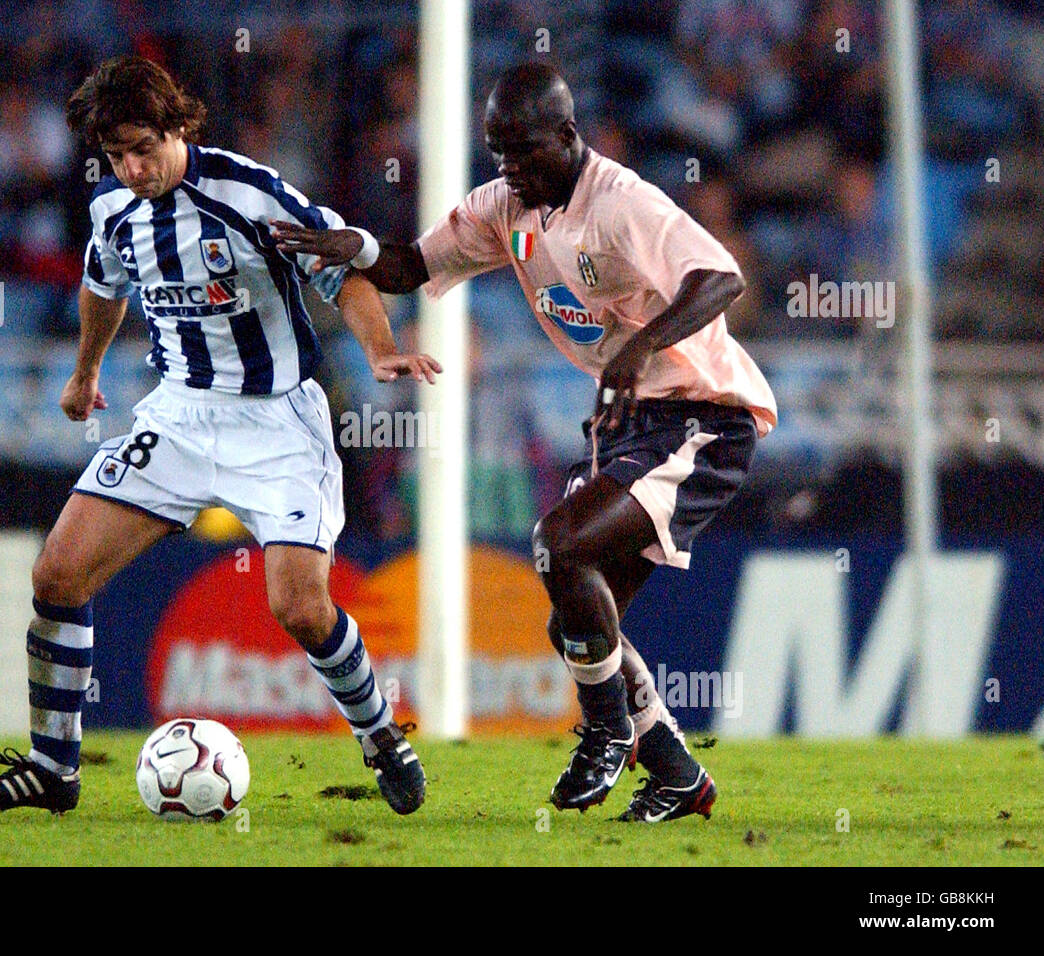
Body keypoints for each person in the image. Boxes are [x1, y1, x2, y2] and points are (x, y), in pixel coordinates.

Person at [272, 62, 777, 822]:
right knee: (578, 614)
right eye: (498, 153)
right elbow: (413, 265)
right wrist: (358, 248)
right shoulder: (504, 205)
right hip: (630, 424)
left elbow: (719, 277)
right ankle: (677, 775)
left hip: (703, 416)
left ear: (570, 137)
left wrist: (642, 350)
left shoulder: (623, 203)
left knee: (561, 547)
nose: (510, 169)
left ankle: (606, 732)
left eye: (525, 151)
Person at [0, 55, 439, 817]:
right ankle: (53, 769)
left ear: (178, 126)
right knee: (57, 575)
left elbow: (342, 266)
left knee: (301, 609)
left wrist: (377, 349)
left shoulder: (246, 192)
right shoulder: (114, 212)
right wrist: (84, 375)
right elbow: (101, 285)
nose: (133, 168)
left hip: (277, 420)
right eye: (116, 156)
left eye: (144, 147)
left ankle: (379, 733)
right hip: (179, 416)